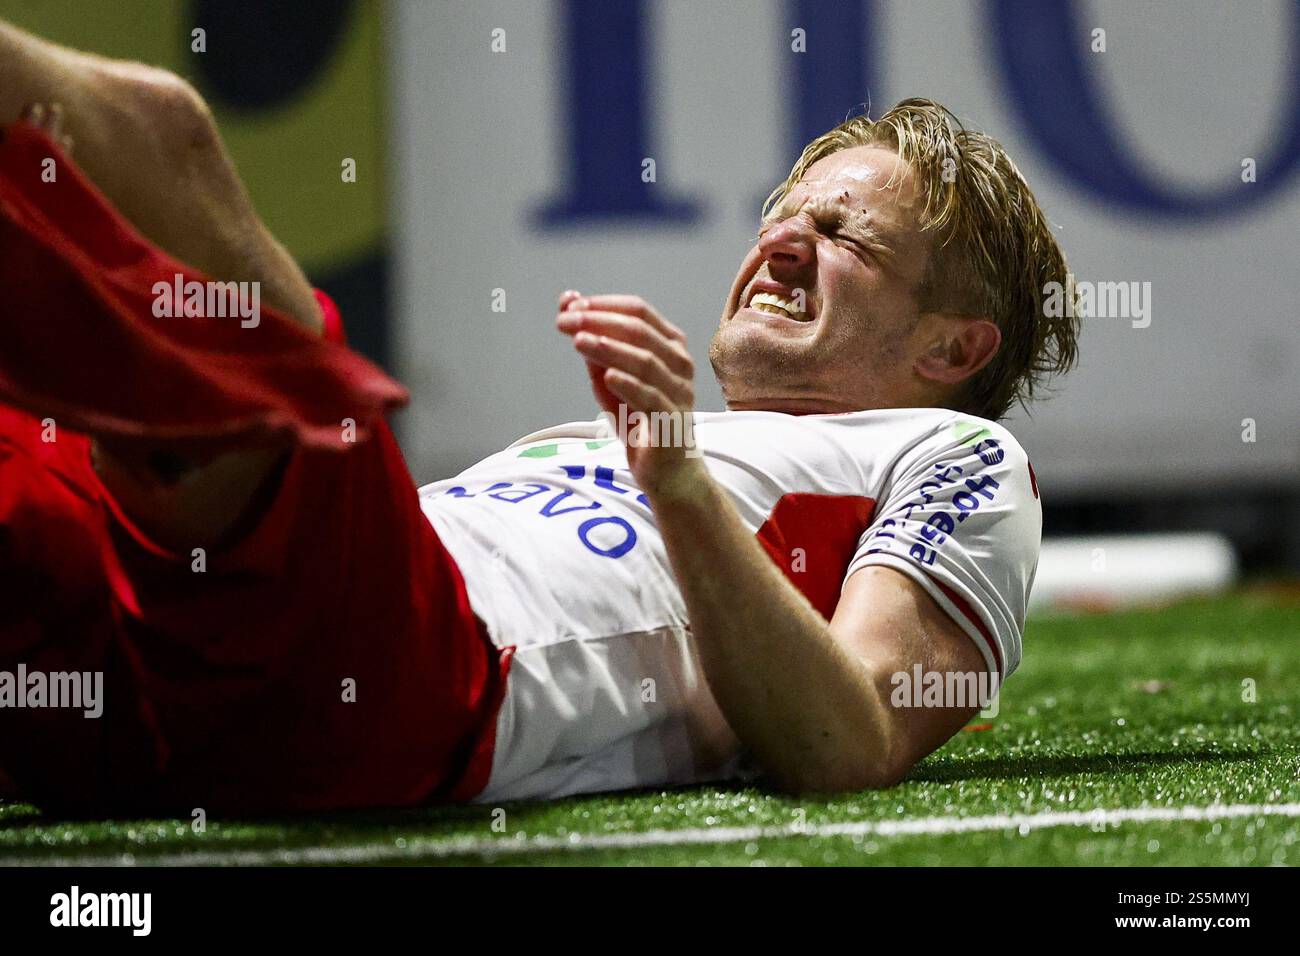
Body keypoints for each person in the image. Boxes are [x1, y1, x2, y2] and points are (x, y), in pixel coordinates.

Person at [0, 21, 1077, 813]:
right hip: (158, 700)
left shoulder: (958, 452)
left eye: (847, 235)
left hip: (418, 680)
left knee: (160, 136)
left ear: (952, 345)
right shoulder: (594, 440)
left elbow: (850, 739)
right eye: (782, 213)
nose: (781, 242)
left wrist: (677, 478)